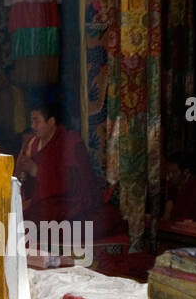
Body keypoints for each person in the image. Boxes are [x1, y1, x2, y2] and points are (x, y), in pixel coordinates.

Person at [14, 99, 123, 237]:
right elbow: (21, 177)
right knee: (22, 219)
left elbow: (76, 183)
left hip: (70, 201)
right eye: (31, 121)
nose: (33, 126)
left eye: (37, 121)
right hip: (41, 201)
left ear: (51, 122)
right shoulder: (31, 143)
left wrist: (37, 171)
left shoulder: (70, 142)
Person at [161, 153, 196, 225]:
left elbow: (190, 218)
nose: (169, 176)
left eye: (174, 172)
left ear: (186, 172)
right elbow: (167, 217)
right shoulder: (173, 185)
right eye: (168, 172)